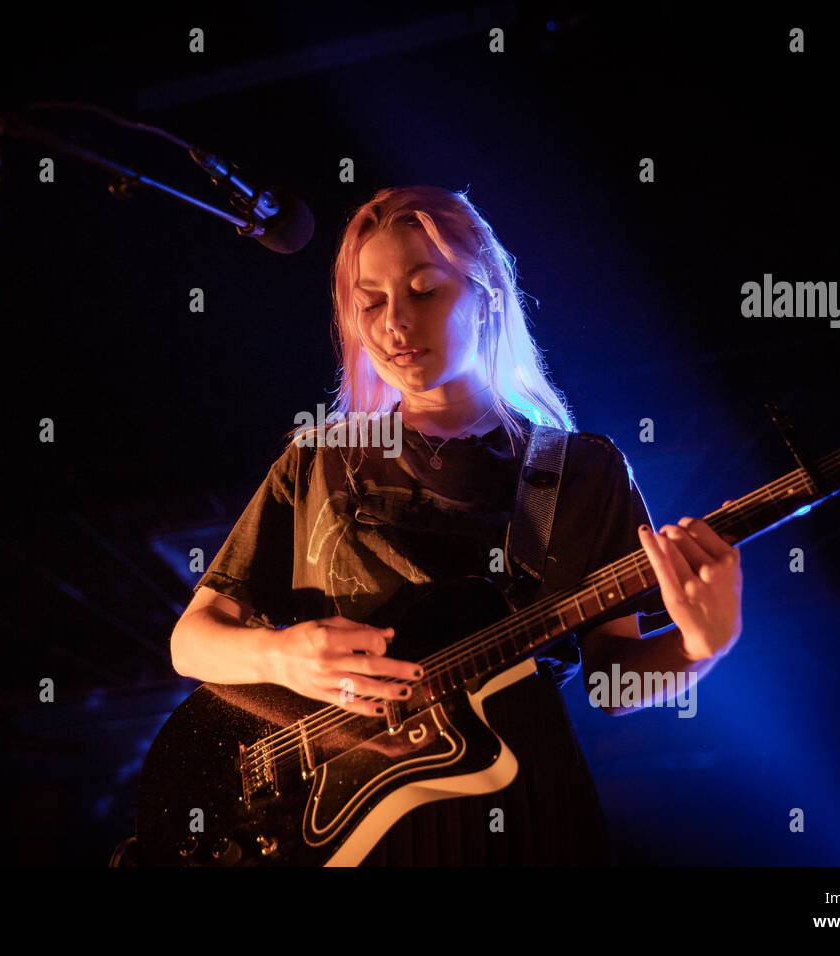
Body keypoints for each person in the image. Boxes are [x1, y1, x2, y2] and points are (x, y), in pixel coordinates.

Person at [170, 185, 743, 865]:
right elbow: (191, 642)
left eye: (425, 290)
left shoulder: (584, 470)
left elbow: (610, 684)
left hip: (520, 814)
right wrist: (281, 655)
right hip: (338, 827)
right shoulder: (317, 458)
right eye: (372, 302)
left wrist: (701, 646)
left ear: (487, 293)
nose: (394, 324)